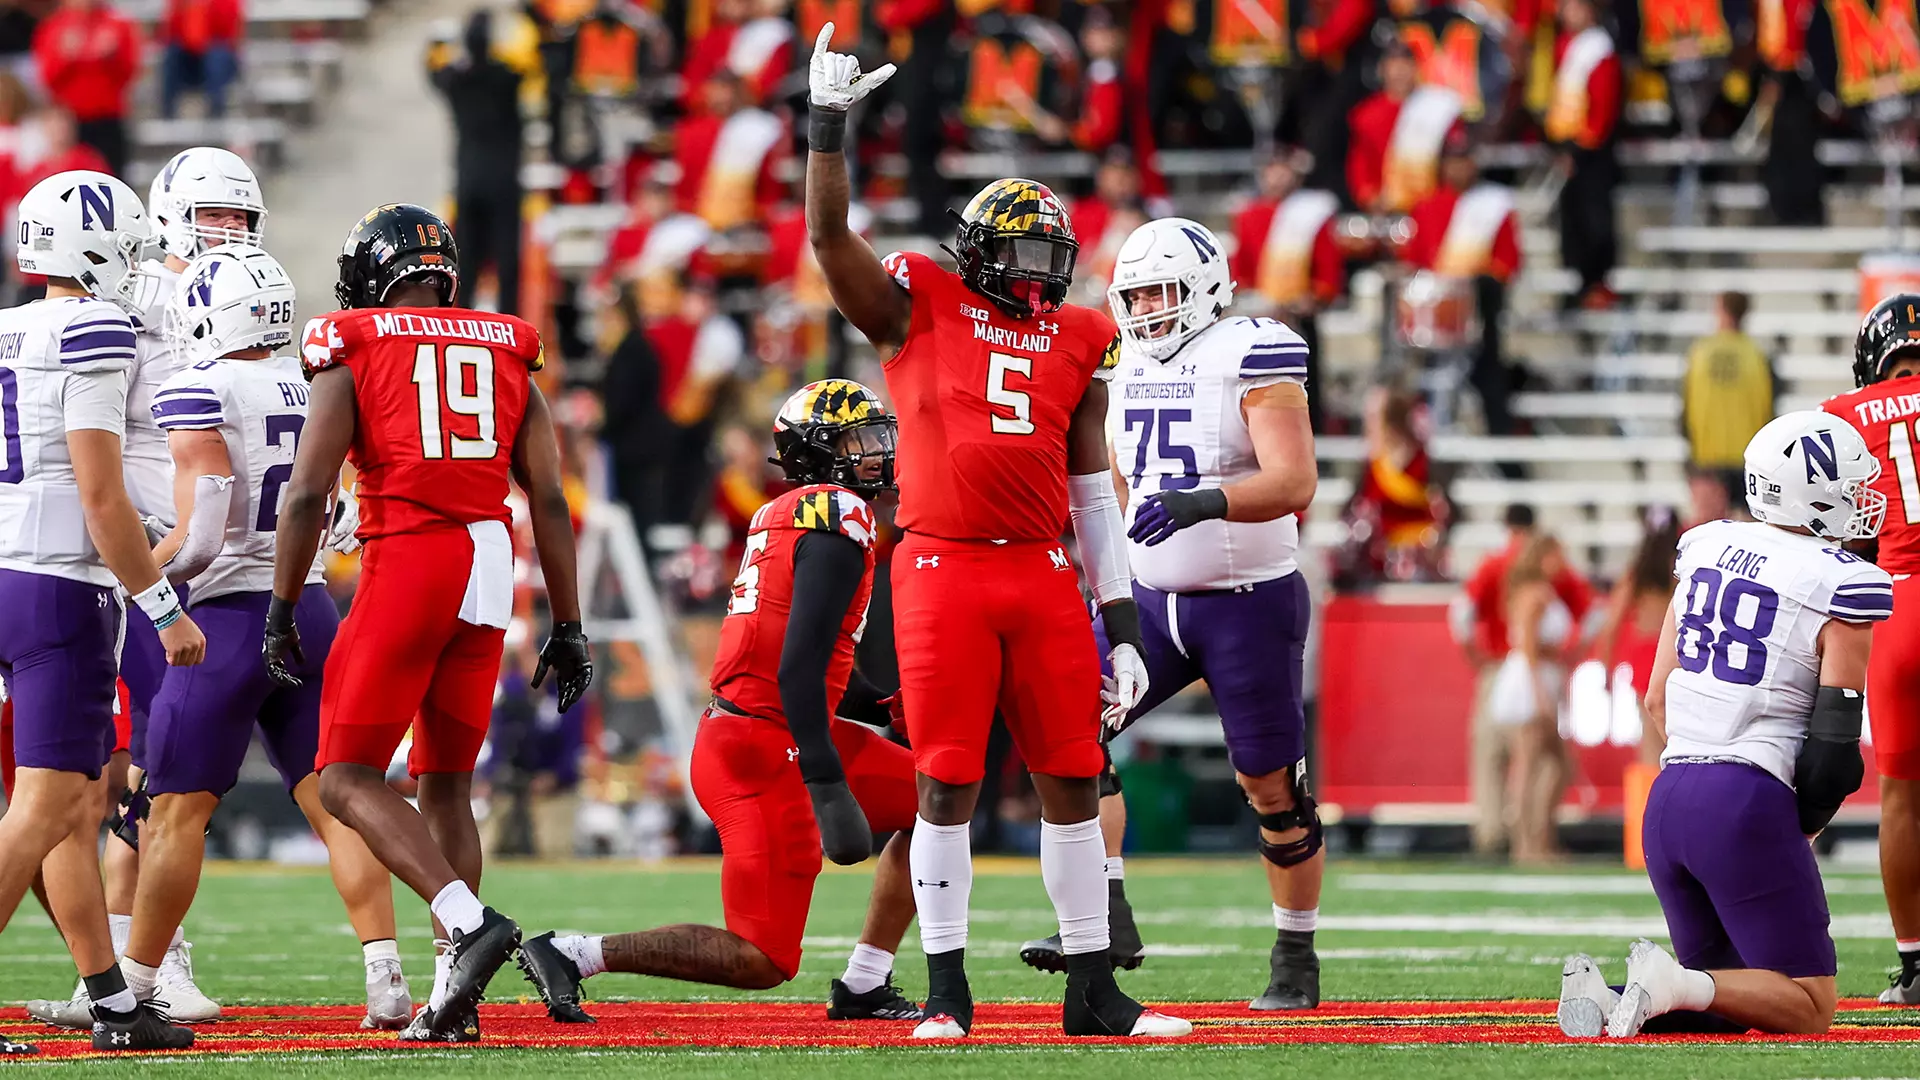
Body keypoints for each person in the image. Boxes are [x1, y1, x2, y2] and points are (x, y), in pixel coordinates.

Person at [804, 24, 1188, 1040]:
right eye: (1017, 253)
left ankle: (1093, 990)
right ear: (974, 256)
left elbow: (1093, 487)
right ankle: (944, 988)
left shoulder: (1081, 336)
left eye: (1047, 255)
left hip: (1046, 573)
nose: (1034, 272)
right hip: (942, 567)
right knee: (946, 781)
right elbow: (830, 246)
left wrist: (1125, 618)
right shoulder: (918, 303)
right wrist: (826, 137)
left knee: (1071, 775)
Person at [265, 203, 593, 1042]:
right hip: (492, 559)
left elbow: (308, 491)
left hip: (414, 552)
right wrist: (570, 621)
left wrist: (282, 601)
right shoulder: (506, 341)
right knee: (446, 782)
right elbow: (549, 495)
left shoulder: (354, 337)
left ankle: (467, 919)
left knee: (343, 777)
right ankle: (456, 1001)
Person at [519, 379, 927, 1023]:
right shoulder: (837, 516)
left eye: (879, 435)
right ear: (819, 452)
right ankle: (574, 952)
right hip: (762, 748)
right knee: (763, 958)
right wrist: (827, 784)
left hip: (777, 727)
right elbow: (796, 669)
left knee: (937, 801)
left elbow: (800, 658)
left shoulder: (785, 514)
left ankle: (866, 981)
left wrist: (883, 709)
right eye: (860, 439)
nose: (879, 451)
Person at [1018, 217, 1324, 1010]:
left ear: (1206, 287)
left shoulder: (1251, 351)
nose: (1149, 309)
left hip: (1246, 603)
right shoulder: (1119, 360)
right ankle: (1108, 912)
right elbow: (1118, 481)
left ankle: (1296, 953)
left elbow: (1293, 482)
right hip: (1154, 601)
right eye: (1137, 294)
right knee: (1065, 727)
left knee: (1270, 787)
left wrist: (1202, 502)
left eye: (1162, 291)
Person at [110, 245, 415, 1030]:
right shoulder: (315, 381)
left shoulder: (199, 384)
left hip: (225, 619)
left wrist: (144, 568)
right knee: (336, 805)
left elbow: (204, 529)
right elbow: (340, 517)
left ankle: (135, 985)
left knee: (174, 812)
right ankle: (386, 976)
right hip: (310, 609)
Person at [23, 144, 275, 1032]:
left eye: (239, 216)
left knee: (100, 782)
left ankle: (119, 980)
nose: (225, 233)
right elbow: (100, 469)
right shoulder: (113, 309)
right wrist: (157, 568)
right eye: (209, 213)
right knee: (101, 781)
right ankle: (148, 962)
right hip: (119, 558)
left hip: (138, 556)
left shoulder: (236, 290)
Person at [1560, 410, 1890, 1038]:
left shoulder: (1706, 545)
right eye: (1851, 489)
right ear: (1812, 494)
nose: (1861, 504)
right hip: (1745, 799)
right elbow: (1832, 758)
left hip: (1669, 800)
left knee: (1725, 999)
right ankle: (1669, 981)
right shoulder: (1839, 583)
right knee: (1810, 1004)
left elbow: (1658, 697)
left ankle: (1613, 999)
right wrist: (1799, 824)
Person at [0, 170, 204, 1053]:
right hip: (55, 590)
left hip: (6, 569)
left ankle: (111, 1000)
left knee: (78, 803)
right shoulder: (95, 327)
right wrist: (162, 606)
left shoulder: (8, 326)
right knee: (47, 806)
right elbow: (100, 495)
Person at [1823, 294, 1920, 1005]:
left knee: (1901, 801)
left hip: (1899, 604)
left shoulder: (1844, 414)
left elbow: (1839, 536)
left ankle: (1917, 968)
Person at [1451, 504, 1593, 856]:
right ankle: (1526, 841)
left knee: (1500, 756)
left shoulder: (1498, 566)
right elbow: (1592, 617)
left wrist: (1476, 656)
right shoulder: (1540, 584)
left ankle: (1504, 833)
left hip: (1507, 667)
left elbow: (1461, 615)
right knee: (1530, 759)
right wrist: (1567, 655)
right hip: (1527, 675)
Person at [429, 9, 525, 315]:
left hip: (469, 180)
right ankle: (510, 323)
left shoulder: (457, 80)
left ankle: (463, 323)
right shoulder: (507, 78)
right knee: (508, 262)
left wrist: (438, 44)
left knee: (466, 260)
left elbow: (433, 70)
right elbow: (531, 69)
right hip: (504, 183)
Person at [1488, 533, 1574, 864]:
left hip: (1542, 677)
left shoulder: (1543, 593)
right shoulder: (1533, 595)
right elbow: (1528, 648)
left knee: (1557, 764)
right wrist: (1539, 694)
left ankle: (1540, 838)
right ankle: (1526, 845)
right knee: (1529, 761)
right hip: (1530, 681)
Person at [1545, 0, 1620, 310]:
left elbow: (1603, 106)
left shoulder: (1599, 49)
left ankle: (1598, 284)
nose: (1568, 13)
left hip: (1592, 154)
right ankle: (1577, 285)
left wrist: (1578, 149)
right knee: (1571, 225)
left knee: (1595, 221)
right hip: (1569, 149)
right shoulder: (1564, 46)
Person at [1682, 292, 1774, 523]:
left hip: (1708, 456)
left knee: (1709, 528)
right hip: (1748, 456)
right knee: (1751, 529)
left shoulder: (1699, 352)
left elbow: (1685, 407)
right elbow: (1769, 408)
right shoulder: (1758, 356)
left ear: (1721, 310)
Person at [31, 0, 137, 177]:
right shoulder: (53, 26)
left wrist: (111, 57)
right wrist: (64, 56)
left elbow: (129, 72)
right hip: (71, 122)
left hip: (108, 117)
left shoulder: (117, 24)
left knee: (113, 178)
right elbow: (46, 78)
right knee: (71, 180)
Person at [157, 0, 242, 120]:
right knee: (172, 54)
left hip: (217, 57)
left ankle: (216, 112)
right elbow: (170, 32)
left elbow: (227, 31)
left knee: (216, 56)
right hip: (189, 57)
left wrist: (203, 11)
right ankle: (167, 113)